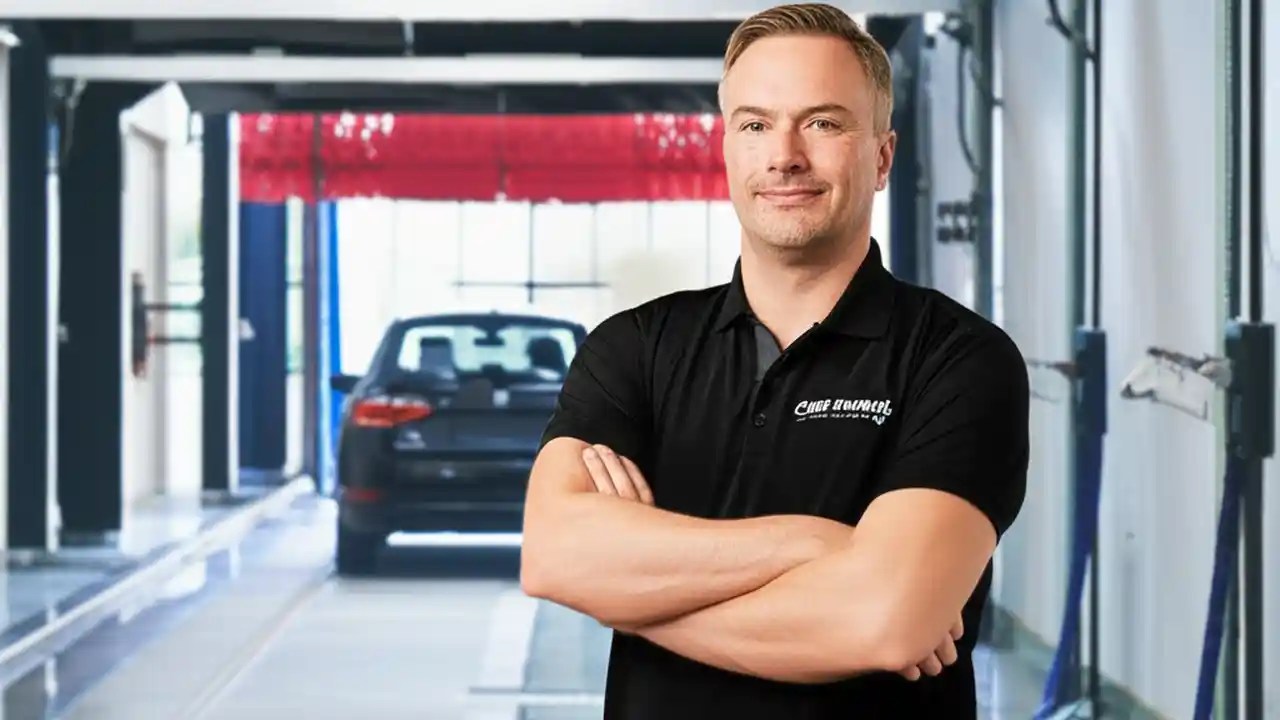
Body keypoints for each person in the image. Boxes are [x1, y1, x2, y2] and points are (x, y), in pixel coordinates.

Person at [519, 4, 1030, 718]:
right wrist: (816, 544)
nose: (784, 154)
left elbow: (886, 619)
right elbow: (554, 557)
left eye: (823, 123)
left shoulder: (958, 360)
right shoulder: (634, 346)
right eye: (755, 124)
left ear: (882, 157)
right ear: (725, 149)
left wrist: (631, 599)